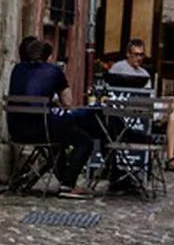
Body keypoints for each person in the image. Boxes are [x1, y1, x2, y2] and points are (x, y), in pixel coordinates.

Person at [7, 37, 102, 200]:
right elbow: (68, 102)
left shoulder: (17, 70)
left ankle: (64, 179)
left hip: (16, 130)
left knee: (66, 133)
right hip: (42, 129)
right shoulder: (54, 71)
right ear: (48, 57)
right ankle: (68, 184)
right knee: (84, 139)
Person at [104, 38, 174, 172]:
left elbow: (149, 97)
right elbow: (112, 91)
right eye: (136, 54)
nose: (139, 58)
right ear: (128, 54)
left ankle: (171, 159)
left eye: (141, 55)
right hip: (127, 111)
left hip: (146, 111)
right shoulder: (119, 68)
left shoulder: (143, 73)